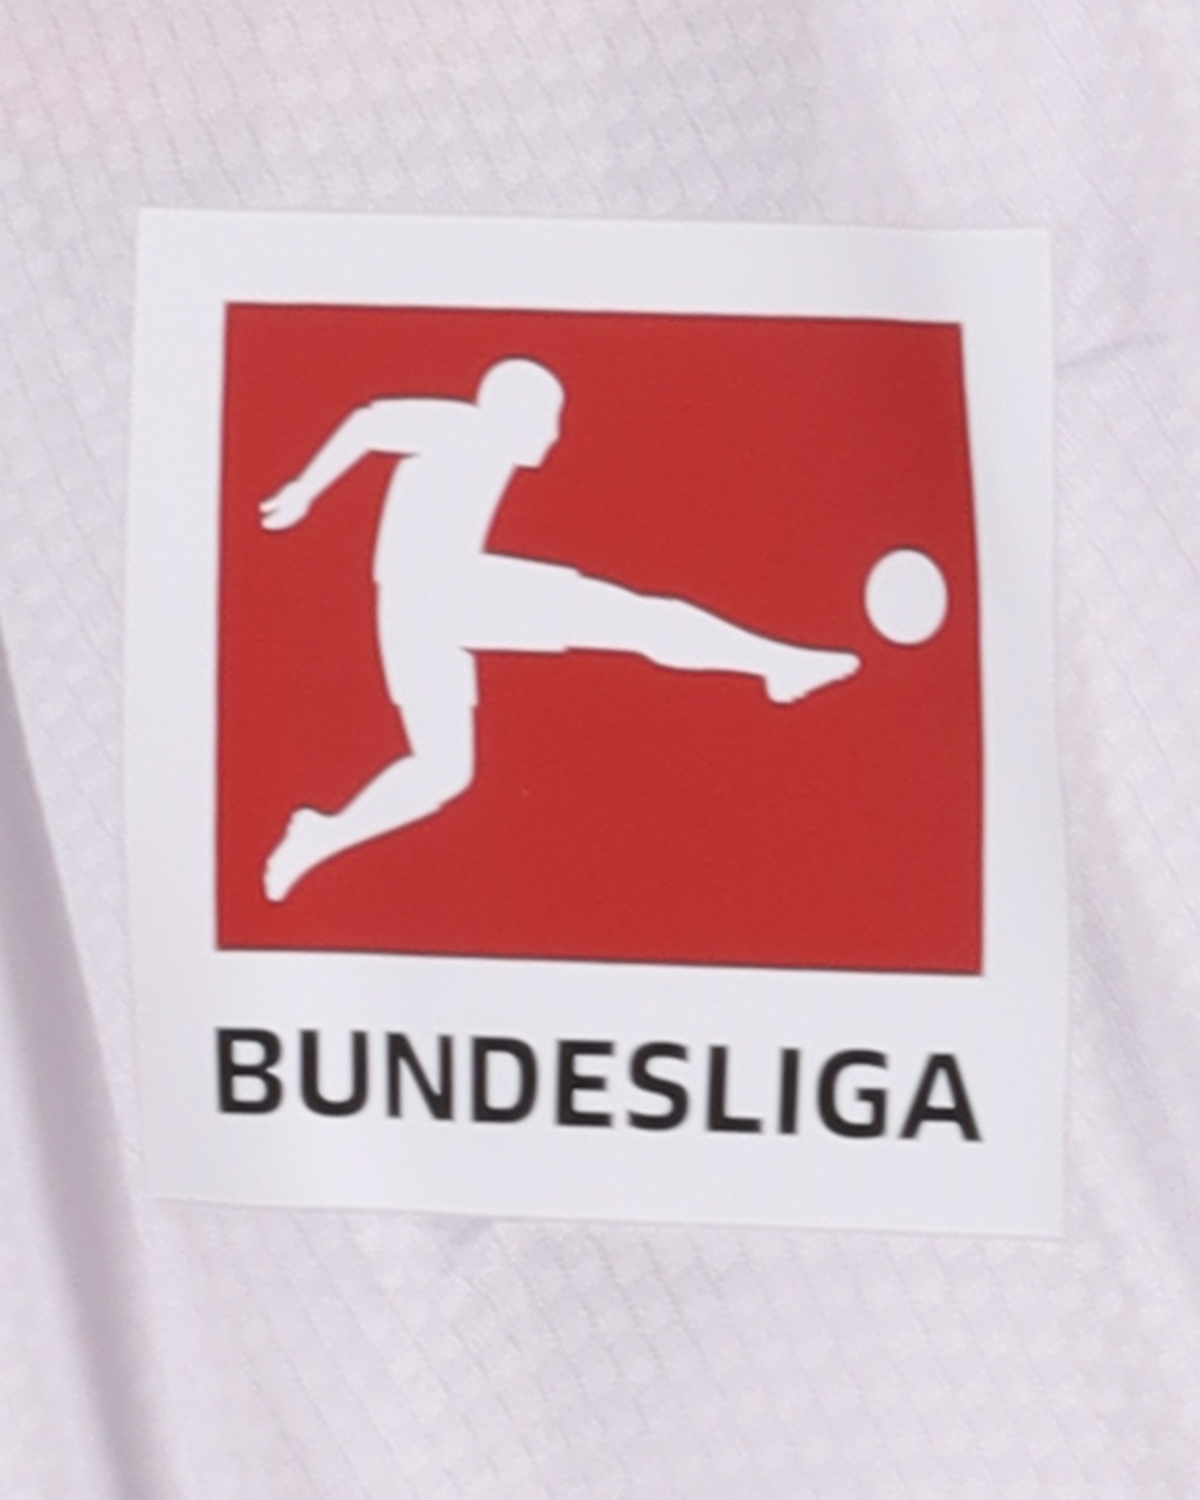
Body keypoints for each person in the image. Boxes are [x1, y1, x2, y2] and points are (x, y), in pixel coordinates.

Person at [260, 357, 860, 901]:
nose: (553, 434)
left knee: (445, 770)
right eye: (548, 418)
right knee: (637, 619)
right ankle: (777, 664)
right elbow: (368, 424)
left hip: (417, 611)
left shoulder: (484, 444)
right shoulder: (460, 427)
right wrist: (304, 490)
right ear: (514, 413)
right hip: (451, 589)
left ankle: (320, 835)